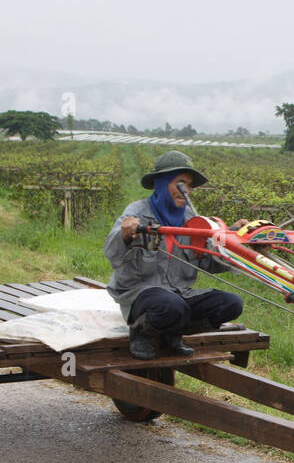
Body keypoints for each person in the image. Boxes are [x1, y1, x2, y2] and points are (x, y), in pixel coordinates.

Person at [104, 150, 244, 359]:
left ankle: (172, 333)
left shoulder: (192, 220)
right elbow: (112, 253)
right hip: (140, 294)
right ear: (161, 183)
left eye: (188, 185)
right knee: (171, 306)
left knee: (231, 303)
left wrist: (240, 243)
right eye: (180, 184)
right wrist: (125, 233)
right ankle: (141, 332)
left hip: (179, 293)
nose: (185, 190)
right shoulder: (137, 212)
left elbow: (209, 260)